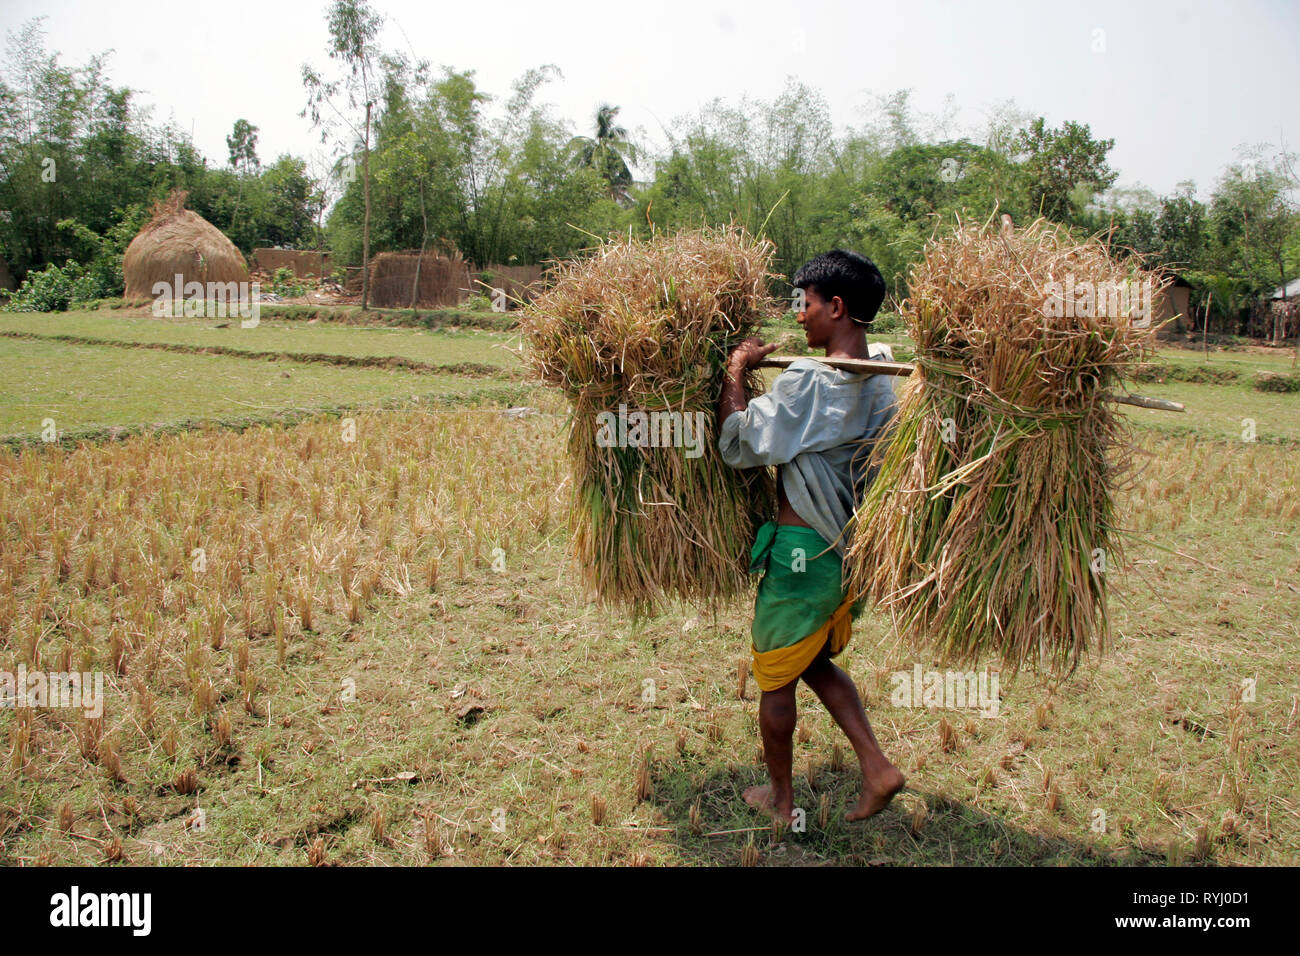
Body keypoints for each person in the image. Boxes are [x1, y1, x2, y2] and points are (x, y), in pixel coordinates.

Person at [716, 249, 906, 823]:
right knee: (814, 660)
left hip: (802, 557)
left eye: (805, 305)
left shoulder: (809, 384)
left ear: (837, 306)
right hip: (848, 553)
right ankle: (878, 768)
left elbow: (738, 442)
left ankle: (780, 800)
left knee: (774, 675)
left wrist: (735, 370)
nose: (799, 317)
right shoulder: (881, 377)